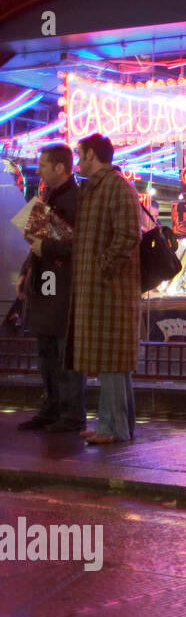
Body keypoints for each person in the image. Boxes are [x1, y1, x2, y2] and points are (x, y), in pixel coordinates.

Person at [69, 135, 140, 445]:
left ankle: (113, 429)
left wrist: (102, 267)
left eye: (80, 155)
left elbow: (127, 235)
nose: (78, 161)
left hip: (110, 289)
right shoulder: (101, 188)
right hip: (103, 287)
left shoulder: (115, 187)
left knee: (112, 361)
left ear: (92, 155)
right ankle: (112, 426)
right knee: (113, 362)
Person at [18, 145, 85, 433]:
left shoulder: (78, 200)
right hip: (44, 283)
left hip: (64, 285)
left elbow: (82, 245)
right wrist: (26, 271)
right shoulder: (49, 196)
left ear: (60, 168)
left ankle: (71, 413)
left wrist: (47, 246)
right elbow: (35, 240)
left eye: (44, 165)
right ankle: (52, 408)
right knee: (46, 349)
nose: (40, 169)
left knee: (63, 348)